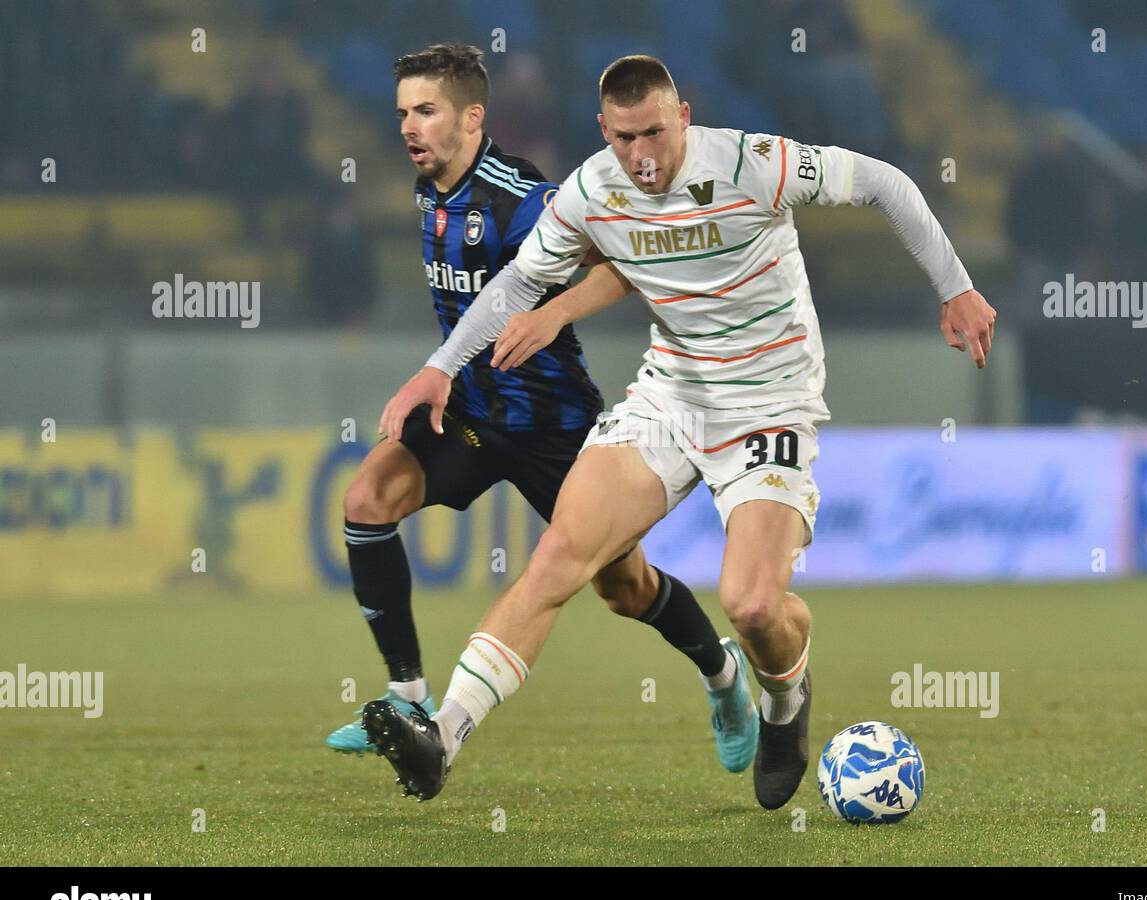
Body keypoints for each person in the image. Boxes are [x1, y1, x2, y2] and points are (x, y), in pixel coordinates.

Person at [364, 54, 996, 810]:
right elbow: (519, 282)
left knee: (755, 606)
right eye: (625, 137)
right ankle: (444, 735)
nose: (643, 154)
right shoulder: (592, 191)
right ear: (605, 131)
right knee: (563, 554)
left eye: (656, 132)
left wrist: (955, 287)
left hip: (769, 405)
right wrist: (440, 367)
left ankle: (784, 701)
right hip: (670, 398)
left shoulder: (752, 163)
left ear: (684, 117)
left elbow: (885, 183)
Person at [327, 44, 758, 777]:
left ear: (471, 116)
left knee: (625, 589)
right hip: (471, 415)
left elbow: (622, 259)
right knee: (367, 498)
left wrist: (552, 316)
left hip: (555, 426)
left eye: (425, 111)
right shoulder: (429, 186)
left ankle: (724, 677)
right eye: (402, 112)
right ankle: (405, 698)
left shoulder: (521, 195)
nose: (410, 127)